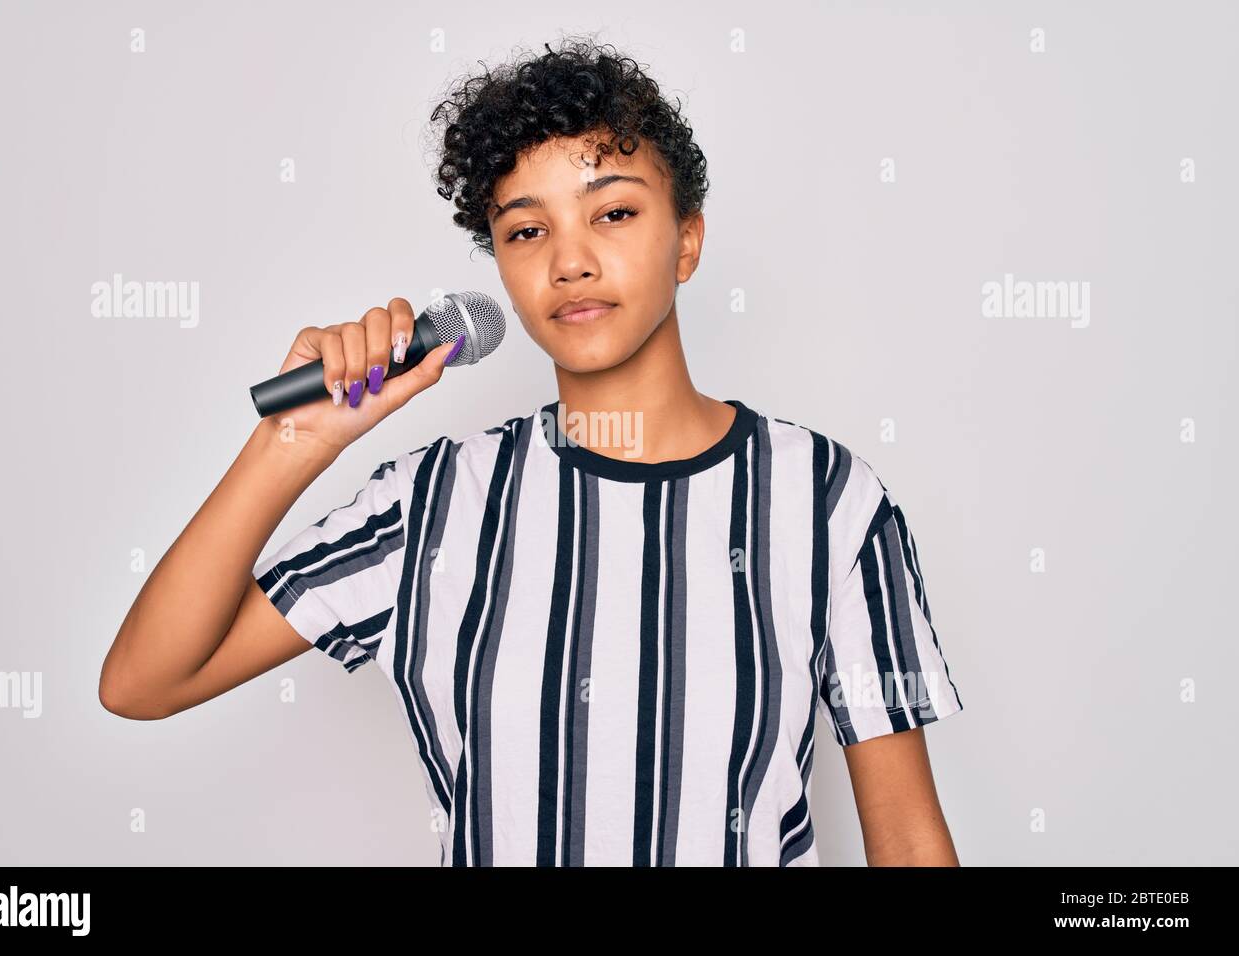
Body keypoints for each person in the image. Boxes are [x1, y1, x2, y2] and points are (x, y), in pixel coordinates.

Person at [101, 35, 964, 866]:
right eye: (526, 231)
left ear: (688, 241)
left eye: (614, 213)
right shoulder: (433, 502)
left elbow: (910, 842)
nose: (571, 262)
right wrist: (292, 442)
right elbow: (143, 683)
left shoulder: (826, 498)